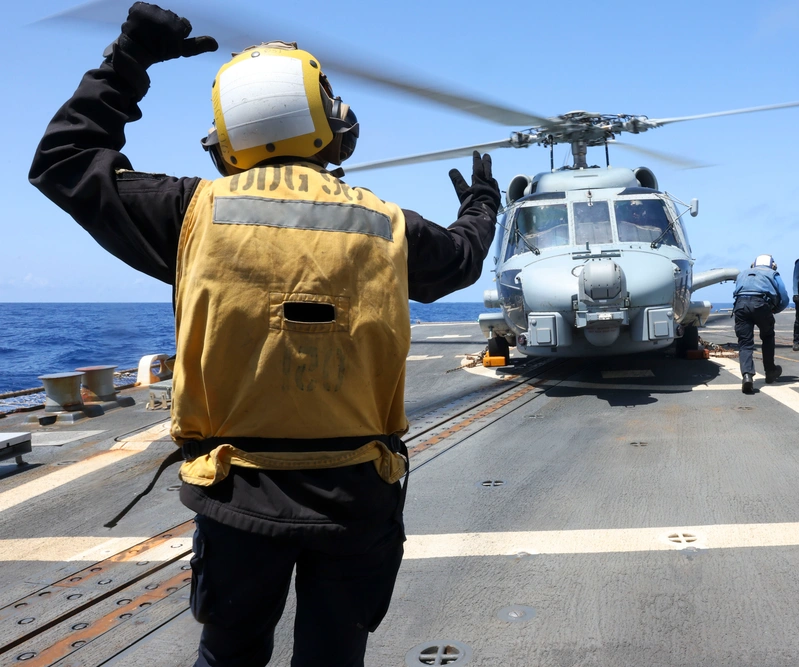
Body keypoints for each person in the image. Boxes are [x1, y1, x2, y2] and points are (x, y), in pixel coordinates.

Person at [28, 4, 501, 666]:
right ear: (329, 125)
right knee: (334, 655)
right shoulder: (385, 225)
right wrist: (483, 205)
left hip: (237, 494)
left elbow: (64, 161)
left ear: (226, 141)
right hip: (355, 493)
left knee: (229, 652)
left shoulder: (190, 214)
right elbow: (461, 257)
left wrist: (128, 60)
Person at [732, 254, 790, 395]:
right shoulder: (772, 273)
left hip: (740, 306)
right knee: (768, 336)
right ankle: (770, 371)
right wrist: (775, 310)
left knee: (745, 343)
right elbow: (784, 297)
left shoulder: (742, 274)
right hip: (761, 305)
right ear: (772, 265)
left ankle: (747, 376)